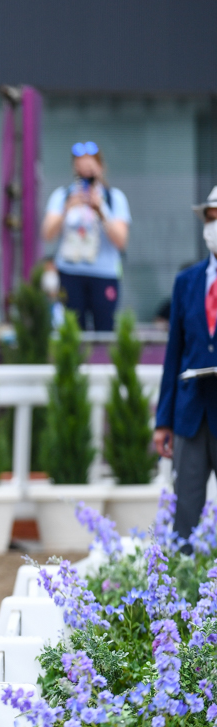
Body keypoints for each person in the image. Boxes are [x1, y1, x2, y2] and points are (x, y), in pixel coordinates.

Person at [154, 186, 217, 546]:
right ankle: (180, 593)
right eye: (210, 219)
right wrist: (163, 420)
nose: (214, 226)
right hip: (191, 413)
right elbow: (173, 354)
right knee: (186, 515)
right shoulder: (186, 282)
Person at [41, 141, 131, 332]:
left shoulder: (114, 199)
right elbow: (47, 234)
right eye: (80, 171)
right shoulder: (63, 196)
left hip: (104, 274)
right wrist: (67, 208)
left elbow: (121, 241)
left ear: (101, 169)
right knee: (72, 332)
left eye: (90, 170)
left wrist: (101, 211)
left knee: (105, 331)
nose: (85, 177)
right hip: (70, 274)